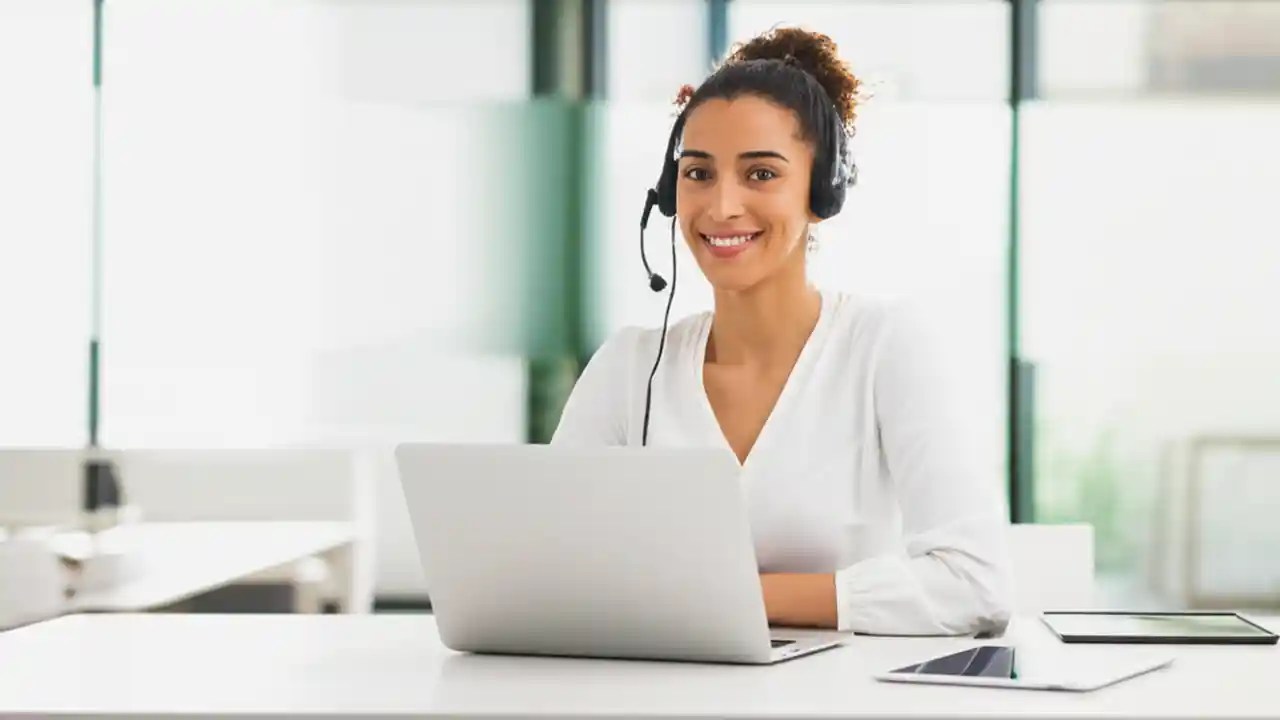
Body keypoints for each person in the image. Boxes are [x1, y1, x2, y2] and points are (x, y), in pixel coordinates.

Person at [552, 27, 1012, 636]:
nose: (721, 207)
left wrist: (740, 597)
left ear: (821, 192)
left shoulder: (882, 346)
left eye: (761, 175)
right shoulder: (630, 366)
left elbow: (974, 586)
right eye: (697, 174)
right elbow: (552, 569)